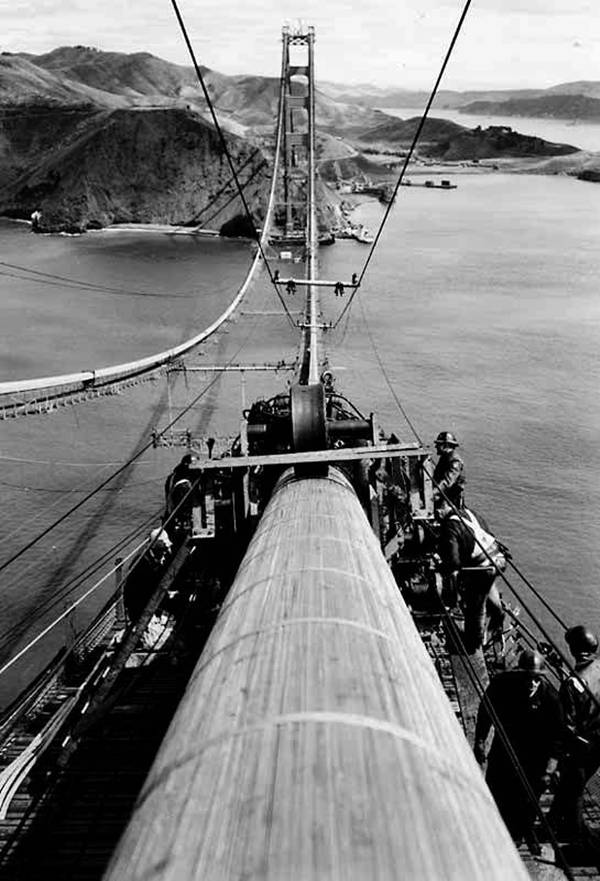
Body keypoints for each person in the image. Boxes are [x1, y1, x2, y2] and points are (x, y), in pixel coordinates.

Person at [474, 650, 563, 852]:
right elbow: (486, 710)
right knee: (498, 790)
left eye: (536, 679)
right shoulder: (502, 685)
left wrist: (550, 769)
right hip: (504, 749)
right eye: (527, 677)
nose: (531, 683)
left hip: (535, 756)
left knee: (529, 797)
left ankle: (521, 834)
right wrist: (480, 740)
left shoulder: (550, 697)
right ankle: (497, 829)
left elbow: (558, 737)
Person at [548, 625, 600, 848]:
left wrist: (555, 760)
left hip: (582, 745)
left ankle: (575, 833)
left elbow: (567, 725)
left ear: (573, 649)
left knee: (574, 786)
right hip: (598, 742)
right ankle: (553, 820)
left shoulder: (572, 684)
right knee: (572, 783)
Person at [436, 497, 506, 653]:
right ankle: (498, 612)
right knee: (486, 584)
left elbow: (453, 562)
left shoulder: (450, 526)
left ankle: (473, 643)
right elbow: (487, 533)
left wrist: (442, 567)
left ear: (442, 509)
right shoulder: (470, 513)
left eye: (438, 511)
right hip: (498, 559)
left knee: (475, 606)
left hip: (483, 566)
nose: (437, 515)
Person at [432, 431, 465, 508]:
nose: (436, 446)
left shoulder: (455, 461)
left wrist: (434, 492)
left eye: (438, 444)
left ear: (446, 445)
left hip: (450, 501)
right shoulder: (445, 457)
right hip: (443, 495)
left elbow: (447, 482)